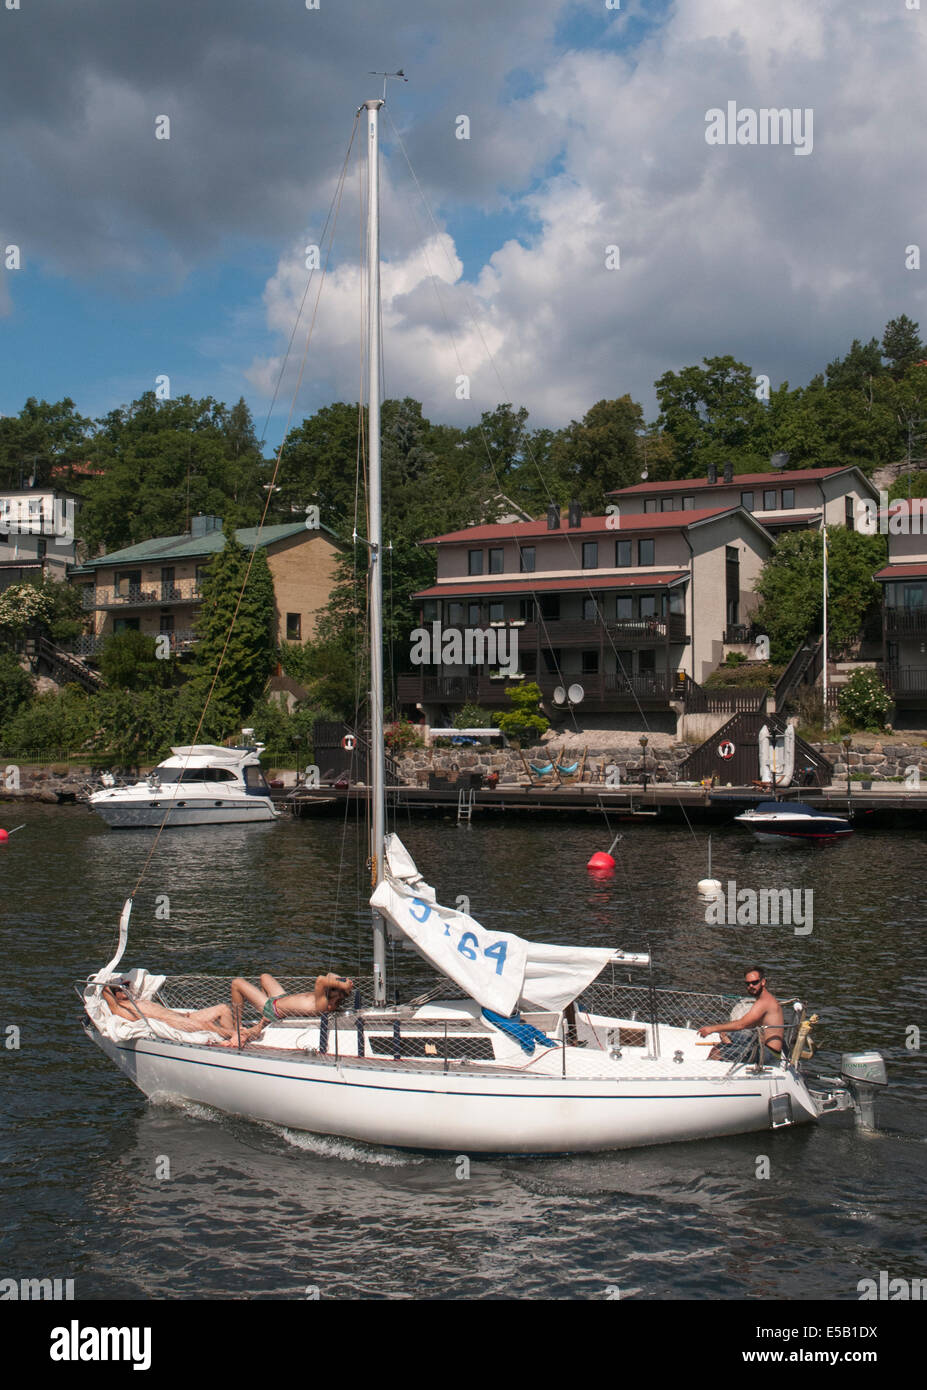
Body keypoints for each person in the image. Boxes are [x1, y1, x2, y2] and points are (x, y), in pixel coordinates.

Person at [101, 981, 262, 1047]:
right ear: (115, 995)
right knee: (206, 1026)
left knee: (223, 1009)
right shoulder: (123, 1008)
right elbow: (113, 1007)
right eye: (121, 988)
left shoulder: (136, 1000)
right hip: (173, 1023)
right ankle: (239, 1035)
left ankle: (231, 1038)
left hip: (182, 1016)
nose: (125, 988)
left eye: (125, 985)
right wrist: (105, 986)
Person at [697, 967, 785, 1065]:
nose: (751, 986)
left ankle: (708, 1075)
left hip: (769, 1053)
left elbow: (741, 1025)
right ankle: (730, 1047)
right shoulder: (763, 999)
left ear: (763, 982)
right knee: (724, 1033)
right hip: (761, 1045)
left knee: (716, 1052)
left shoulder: (764, 1002)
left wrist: (711, 1029)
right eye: (747, 984)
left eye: (755, 982)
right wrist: (723, 1030)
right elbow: (748, 1024)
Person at [230, 972, 354, 1035]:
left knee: (236, 983)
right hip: (281, 998)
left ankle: (236, 1028)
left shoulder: (323, 1004)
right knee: (265, 976)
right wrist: (344, 981)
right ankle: (263, 1022)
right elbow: (329, 975)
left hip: (273, 1009)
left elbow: (321, 979)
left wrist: (341, 984)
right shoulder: (325, 997)